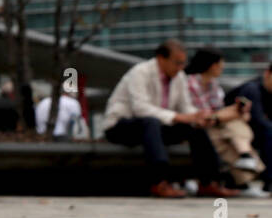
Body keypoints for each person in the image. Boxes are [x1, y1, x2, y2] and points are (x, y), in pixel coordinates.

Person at [102, 40, 239, 199]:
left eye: (183, 63)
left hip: (155, 128)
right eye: (177, 63)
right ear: (161, 58)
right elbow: (140, 108)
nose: (181, 67)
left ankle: (208, 182)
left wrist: (198, 116)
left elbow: (185, 107)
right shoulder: (140, 72)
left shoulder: (179, 76)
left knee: (194, 128)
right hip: (121, 126)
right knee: (150, 122)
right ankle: (160, 182)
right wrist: (178, 117)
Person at [223, 61, 272, 197]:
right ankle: (269, 181)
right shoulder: (252, 88)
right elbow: (257, 121)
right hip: (229, 131)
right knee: (269, 131)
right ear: (267, 73)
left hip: (252, 134)